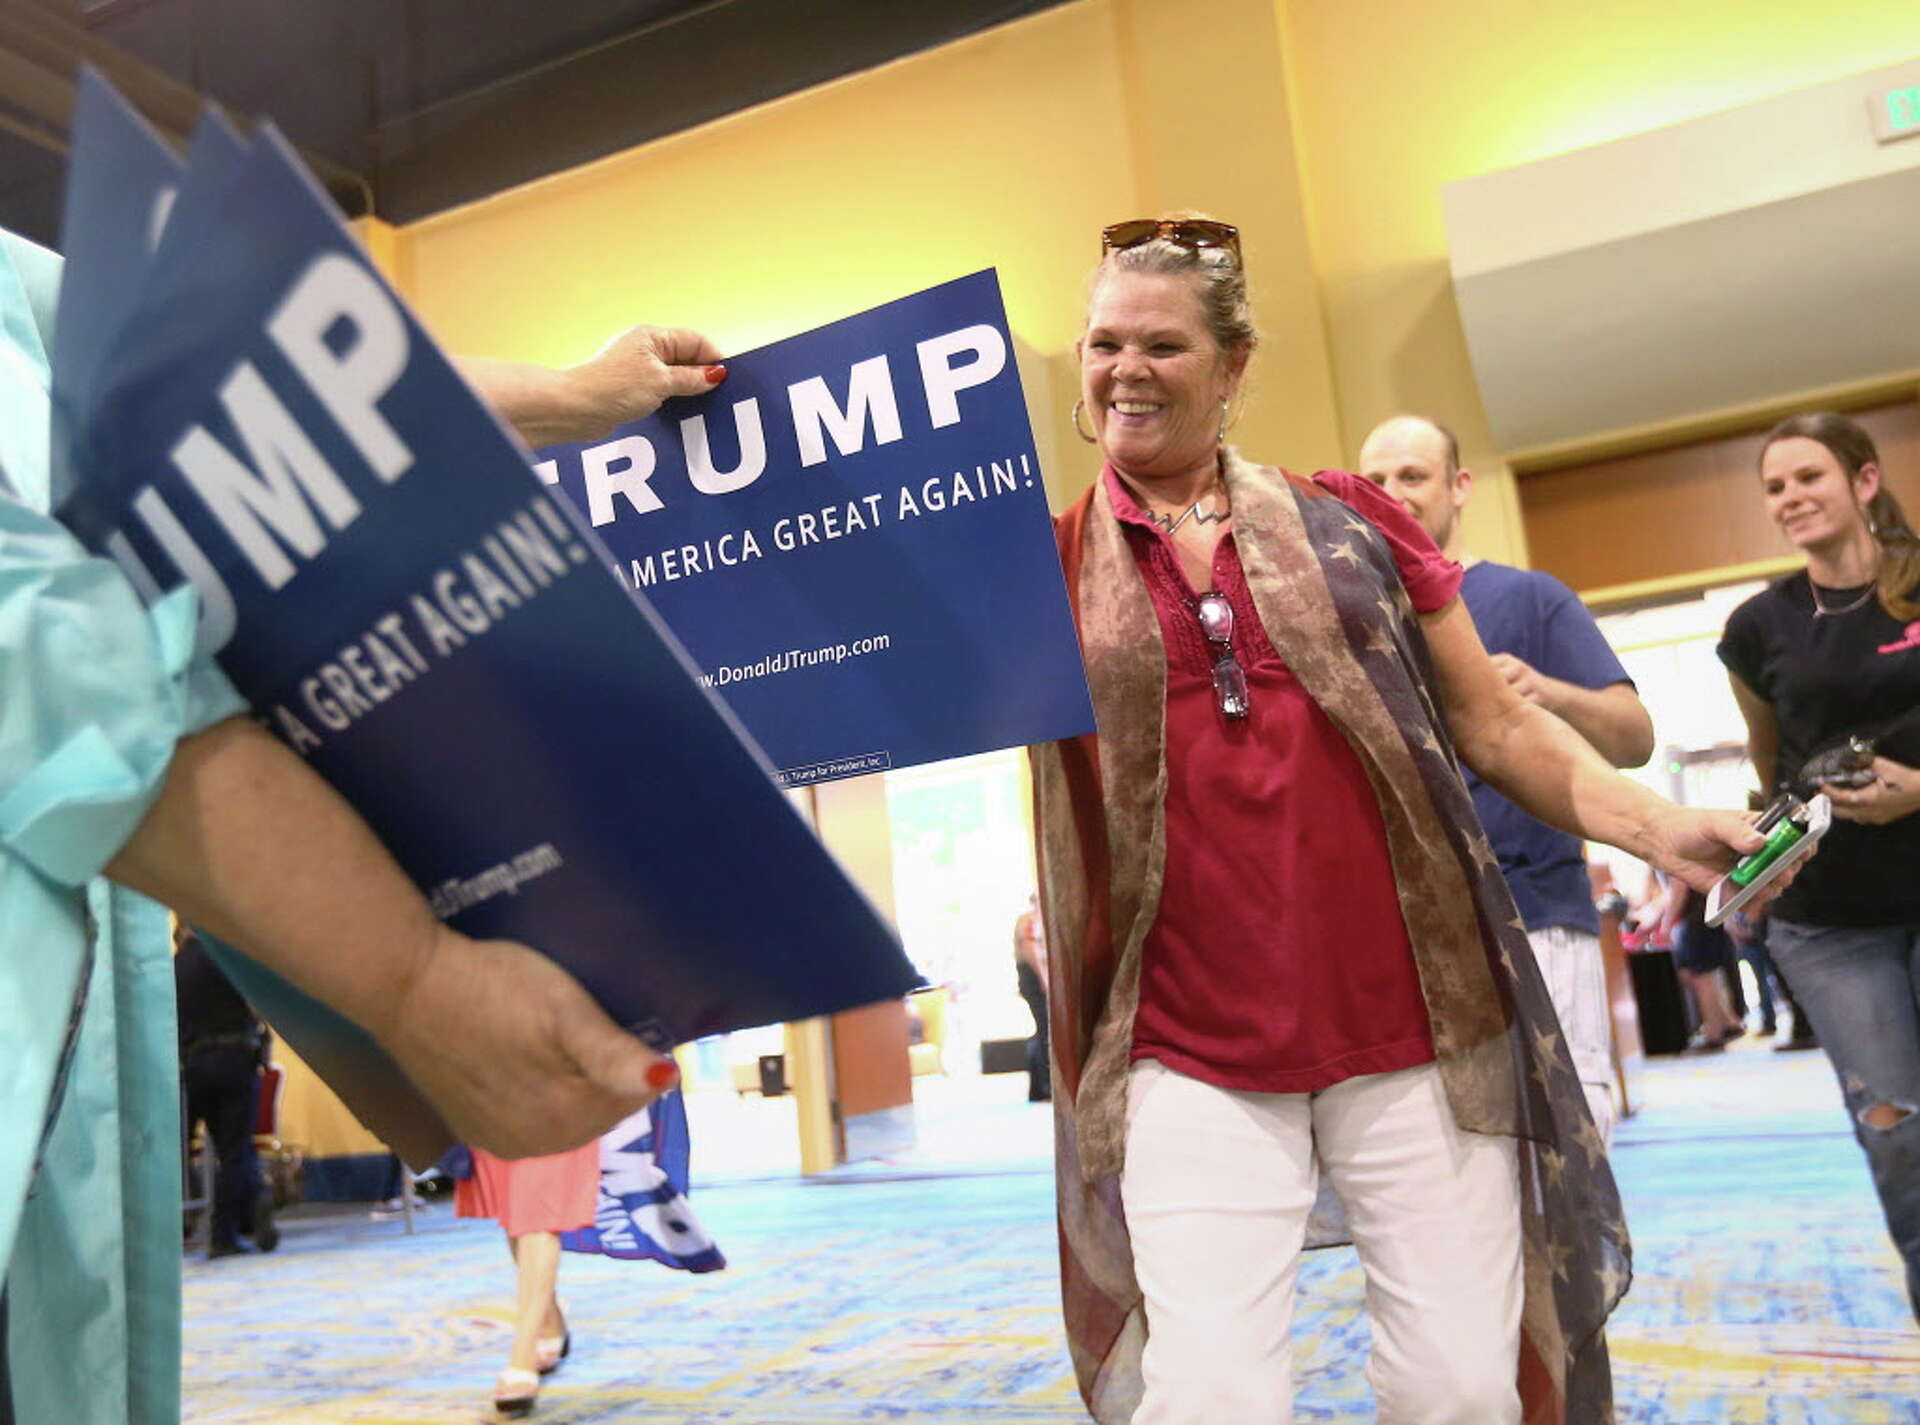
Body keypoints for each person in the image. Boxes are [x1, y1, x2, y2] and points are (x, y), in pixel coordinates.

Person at [1035, 214, 1785, 1425]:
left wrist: (1655, 827)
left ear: (1232, 368)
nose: (1127, 370)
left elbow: (1494, 726)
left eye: (1163, 346)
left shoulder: (1350, 522)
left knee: (1462, 1389)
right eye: (1104, 343)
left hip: (1418, 1015)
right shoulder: (1044, 565)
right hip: (1185, 1038)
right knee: (1209, 1398)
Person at [0, 226, 720, 1425]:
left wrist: (577, 396)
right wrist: (415, 981)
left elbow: (265, 394)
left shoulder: (24, 290)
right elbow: (55, 670)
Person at [1358, 414, 1654, 1145]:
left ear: (1461, 487)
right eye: (1374, 482)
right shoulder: (1352, 620)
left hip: (1538, 912)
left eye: (1412, 476)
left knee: (1567, 1150)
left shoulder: (1530, 599)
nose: (1392, 495)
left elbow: (1634, 737)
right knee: (1440, 1162)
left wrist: (1550, 693)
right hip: (1406, 935)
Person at [1719, 410, 1920, 1321]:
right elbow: (1771, 763)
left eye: (1810, 477)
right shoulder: (1758, 624)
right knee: (1901, 1142)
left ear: (1865, 481)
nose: (1791, 497)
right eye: (1774, 486)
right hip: (1833, 922)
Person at [457, 1143, 600, 1415]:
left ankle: (522, 1357)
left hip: (565, 1105)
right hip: (493, 1103)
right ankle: (548, 1317)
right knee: (516, 1204)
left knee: (538, 1209)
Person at [174, 925, 277, 1257]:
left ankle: (181, 1226)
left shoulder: (170, 967)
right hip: (234, 1058)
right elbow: (257, 1007)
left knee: (179, 1151)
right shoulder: (226, 956)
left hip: (191, 1064)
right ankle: (225, 1235)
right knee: (234, 1151)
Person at [1657, 879, 1745, 1051]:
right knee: (1712, 976)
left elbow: (1679, 888)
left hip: (1696, 919)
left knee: (1701, 978)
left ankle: (1714, 1032)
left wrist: (1666, 923)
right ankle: (1728, 1021)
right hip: (1711, 915)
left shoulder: (1674, 857)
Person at [1013, 892, 1051, 1101]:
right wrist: (1044, 978)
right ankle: (1045, 1087)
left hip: (1034, 979)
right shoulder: (1030, 920)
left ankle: (1039, 1088)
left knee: (1042, 1031)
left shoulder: (1031, 919)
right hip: (1035, 979)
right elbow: (1030, 947)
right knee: (1046, 1031)